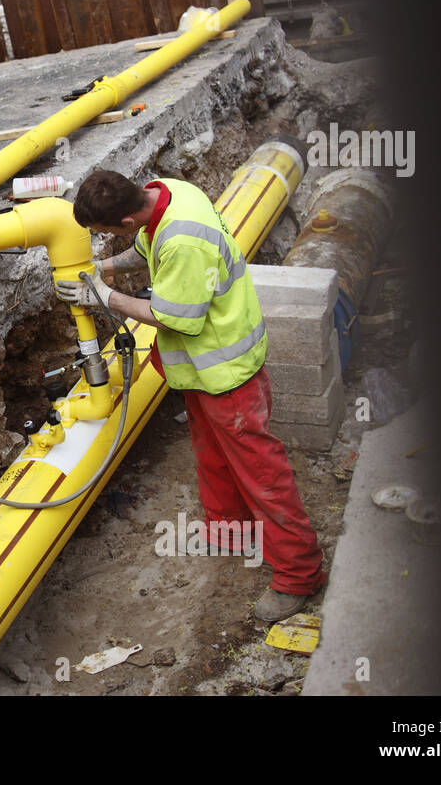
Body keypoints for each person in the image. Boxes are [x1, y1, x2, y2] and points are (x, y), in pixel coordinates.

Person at [56, 167, 325, 622]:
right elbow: (146, 247)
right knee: (213, 454)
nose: (108, 240)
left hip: (227, 371)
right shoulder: (167, 192)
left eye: (105, 235)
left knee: (264, 475)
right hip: (203, 368)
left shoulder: (183, 242)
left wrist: (105, 297)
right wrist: (104, 268)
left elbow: (177, 318)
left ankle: (300, 574)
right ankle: (231, 532)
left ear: (124, 220)